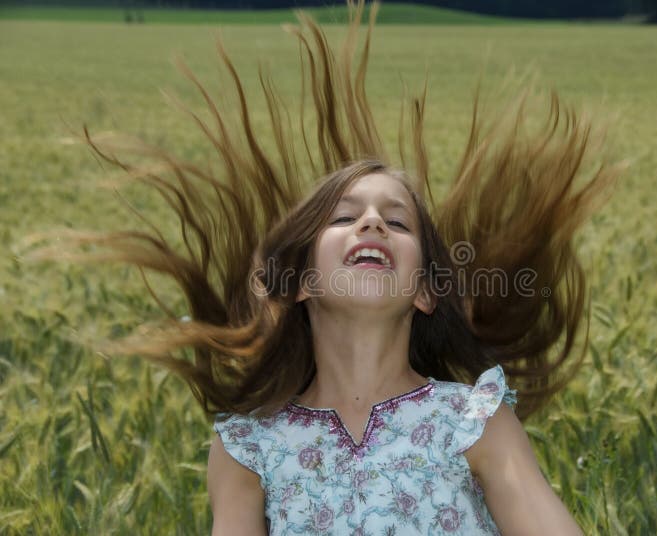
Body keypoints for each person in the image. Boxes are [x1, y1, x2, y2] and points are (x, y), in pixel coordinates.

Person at [30, 0, 618, 533]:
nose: (371, 224)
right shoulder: (248, 447)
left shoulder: (474, 420)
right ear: (304, 281)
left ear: (424, 293)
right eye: (343, 218)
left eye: (398, 220)